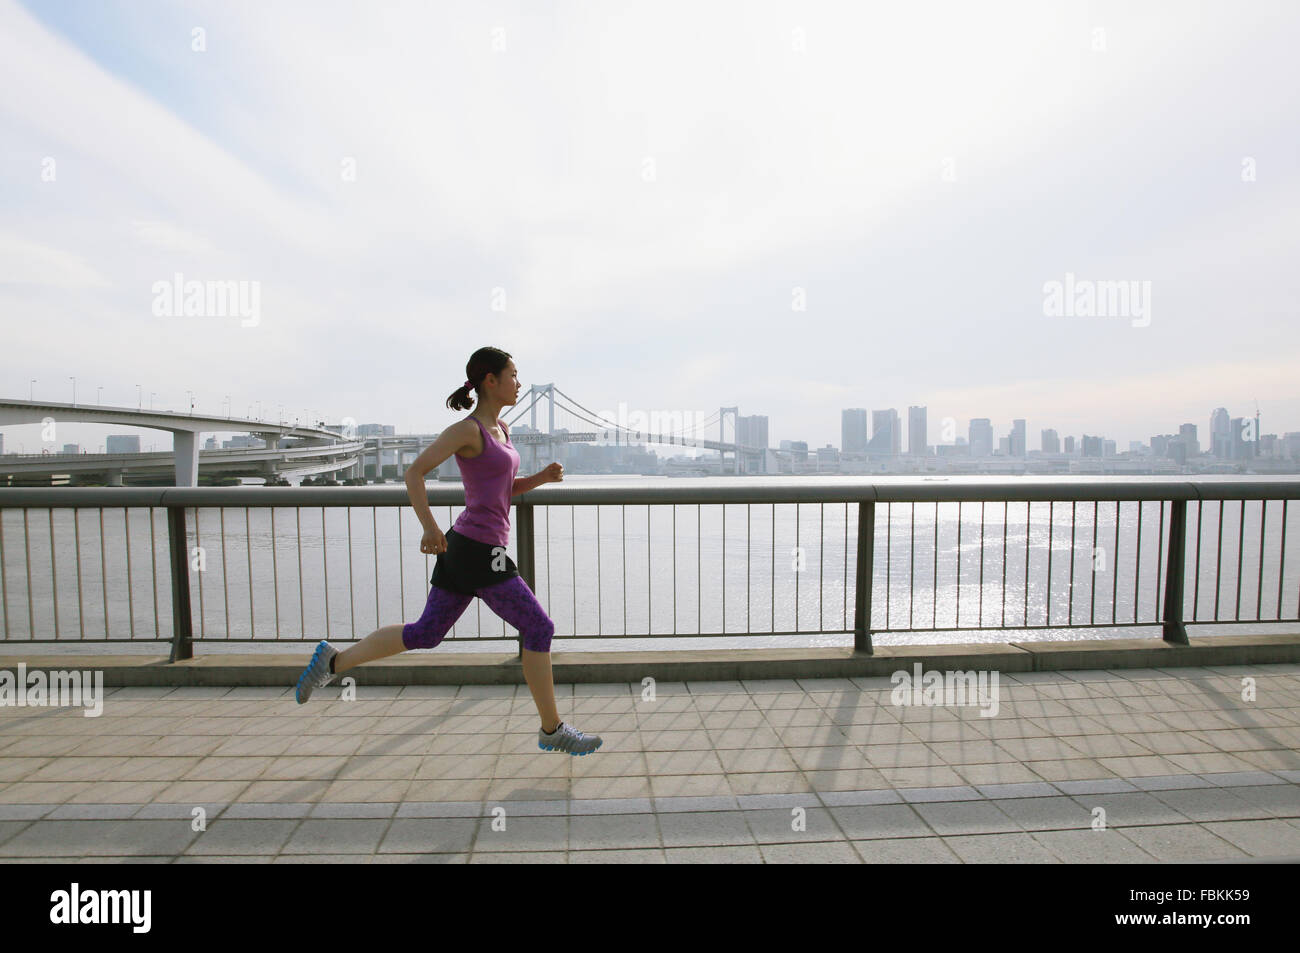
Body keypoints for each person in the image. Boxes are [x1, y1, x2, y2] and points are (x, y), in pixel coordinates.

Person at [294, 346, 601, 756]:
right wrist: (429, 527)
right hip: (478, 550)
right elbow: (413, 471)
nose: (518, 382)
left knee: (425, 633)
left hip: (467, 548)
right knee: (539, 627)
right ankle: (552, 730)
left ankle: (331, 663)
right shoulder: (467, 431)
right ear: (490, 381)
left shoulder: (503, 430)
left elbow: (500, 491)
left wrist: (540, 479)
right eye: (512, 375)